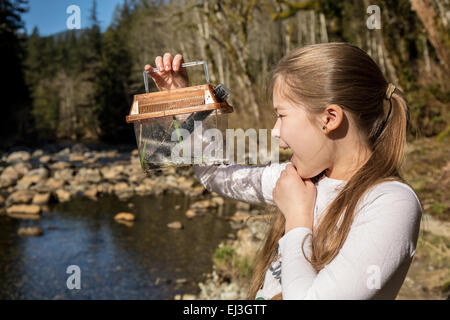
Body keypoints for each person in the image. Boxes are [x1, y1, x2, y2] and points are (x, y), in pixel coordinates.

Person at [145, 43, 423, 300]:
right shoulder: (300, 179)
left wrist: (298, 220)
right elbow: (216, 176)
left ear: (330, 118)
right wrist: (185, 107)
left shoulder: (390, 202)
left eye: (282, 115)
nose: (275, 131)